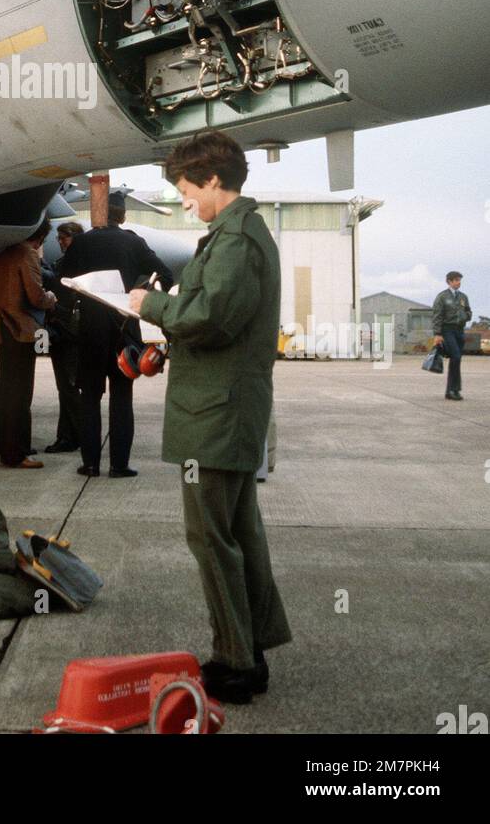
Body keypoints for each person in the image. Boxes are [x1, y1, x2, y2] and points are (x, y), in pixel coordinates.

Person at [128, 131, 292, 705]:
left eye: (186, 189)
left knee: (211, 538)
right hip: (221, 410)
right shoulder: (232, 236)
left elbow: (210, 317)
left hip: (215, 418)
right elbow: (212, 320)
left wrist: (149, 306)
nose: (184, 201)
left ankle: (235, 661)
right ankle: (251, 649)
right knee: (238, 532)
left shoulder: (235, 242)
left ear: (214, 180)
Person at [63, 193, 173, 478]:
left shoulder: (82, 242)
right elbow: (166, 275)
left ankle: (90, 464)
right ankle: (119, 465)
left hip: (90, 330)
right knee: (122, 398)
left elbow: (63, 280)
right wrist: (141, 292)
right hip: (124, 330)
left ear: (99, 213)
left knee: (90, 397)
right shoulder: (133, 241)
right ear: (122, 216)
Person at [0, 222, 56, 469]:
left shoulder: (2, 255)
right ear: (39, 237)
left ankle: (1, 443)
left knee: (4, 388)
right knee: (21, 392)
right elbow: (35, 296)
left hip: (2, 328)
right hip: (22, 330)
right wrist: (51, 298)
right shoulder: (26, 254)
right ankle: (17, 453)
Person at [40, 221, 85, 453]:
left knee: (67, 387)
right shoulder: (74, 261)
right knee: (66, 387)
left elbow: (59, 285)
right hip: (68, 331)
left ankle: (73, 436)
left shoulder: (74, 263)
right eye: (59, 237)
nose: (60, 241)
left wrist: (39, 266)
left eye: (64, 237)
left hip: (68, 332)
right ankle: (69, 435)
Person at [432, 270, 472, 400]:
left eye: (459, 280)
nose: (458, 283)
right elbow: (437, 316)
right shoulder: (442, 297)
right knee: (455, 356)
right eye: (456, 280)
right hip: (447, 330)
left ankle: (451, 390)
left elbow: (469, 312)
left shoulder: (463, 297)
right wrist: (437, 334)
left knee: (457, 359)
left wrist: (464, 316)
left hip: (459, 331)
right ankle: (453, 390)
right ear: (449, 281)